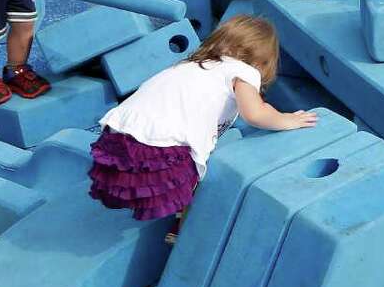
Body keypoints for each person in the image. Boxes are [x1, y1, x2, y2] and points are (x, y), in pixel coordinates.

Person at [87, 15, 318, 221]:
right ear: (262, 61)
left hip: (115, 139)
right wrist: (286, 119)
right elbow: (255, 113)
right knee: (192, 188)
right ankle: (180, 227)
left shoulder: (193, 65)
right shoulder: (243, 70)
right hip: (158, 147)